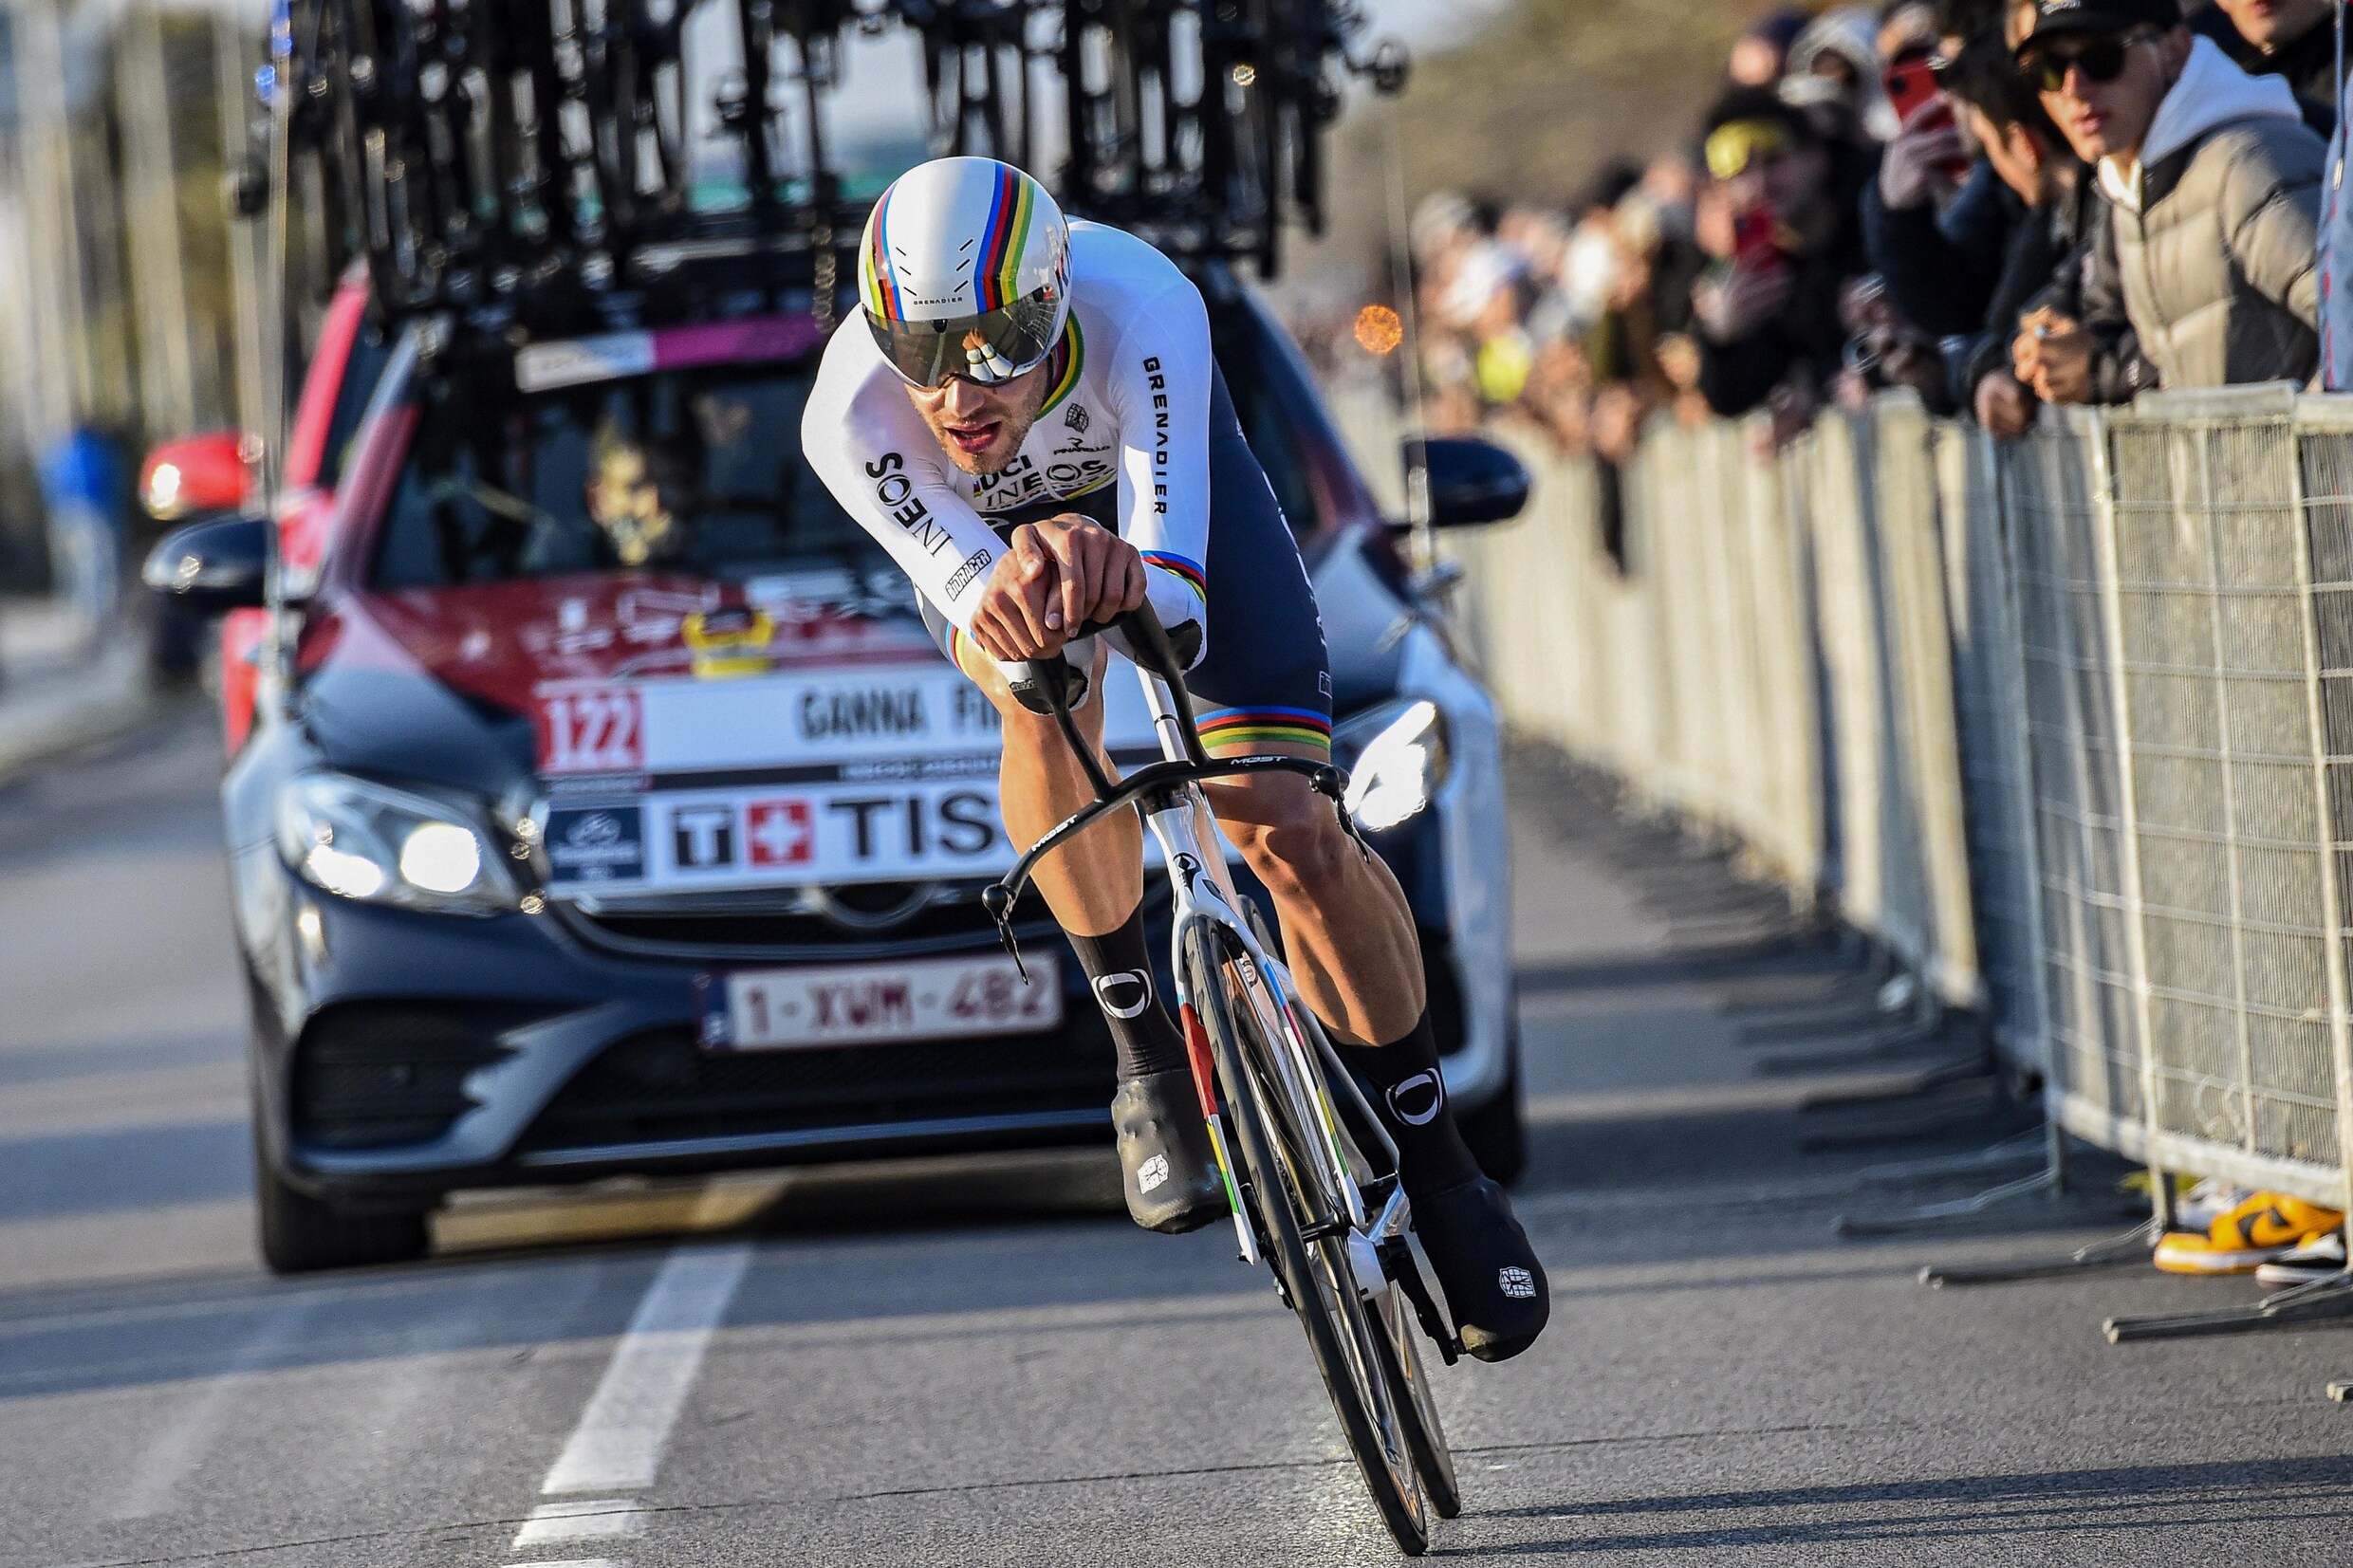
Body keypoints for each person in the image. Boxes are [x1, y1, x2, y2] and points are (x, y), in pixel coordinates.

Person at [801, 157, 1549, 1361]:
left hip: (1163, 519)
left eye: (992, 344)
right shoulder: (849, 415)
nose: (955, 392)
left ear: (1052, 305)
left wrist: (1119, 570)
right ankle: (1145, 1058)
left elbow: (1182, 616)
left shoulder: (1142, 302)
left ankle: (1439, 1162)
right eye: (918, 351)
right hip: (995, 545)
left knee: (1281, 823)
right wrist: (1032, 586)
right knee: (1036, 689)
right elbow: (982, 603)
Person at [2011, 0, 2325, 399]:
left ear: (2175, 50)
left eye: (2102, 58)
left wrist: (2305, 431)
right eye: (2048, 70)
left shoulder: (2248, 164)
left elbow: (2345, 324)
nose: (2074, 88)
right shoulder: (2128, 186)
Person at [1692, 87, 1877, 429]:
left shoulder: (1879, 210)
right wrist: (1724, 337)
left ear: (1816, 156)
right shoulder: (1764, 271)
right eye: (1738, 171)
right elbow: (1730, 397)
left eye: (1774, 159)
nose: (1760, 183)